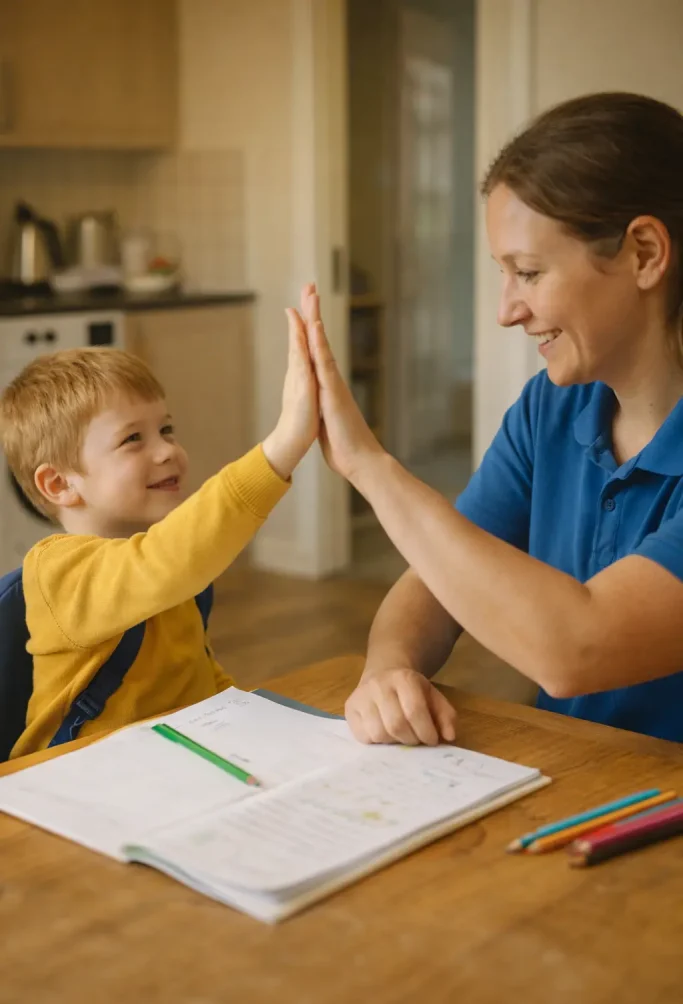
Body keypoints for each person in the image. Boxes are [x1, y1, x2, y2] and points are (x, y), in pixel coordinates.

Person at [296, 91, 683, 745]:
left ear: (643, 253)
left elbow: (574, 650)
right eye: (502, 274)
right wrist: (390, 668)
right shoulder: (551, 408)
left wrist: (368, 464)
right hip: (578, 778)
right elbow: (439, 578)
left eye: (528, 273)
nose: (507, 310)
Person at [0, 323, 318, 758]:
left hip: (166, 765)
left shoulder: (166, 565)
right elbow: (167, 561)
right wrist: (283, 446)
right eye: (133, 438)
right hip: (74, 782)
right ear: (59, 484)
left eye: (166, 429)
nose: (167, 450)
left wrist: (249, 718)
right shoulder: (58, 570)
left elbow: (195, 674)